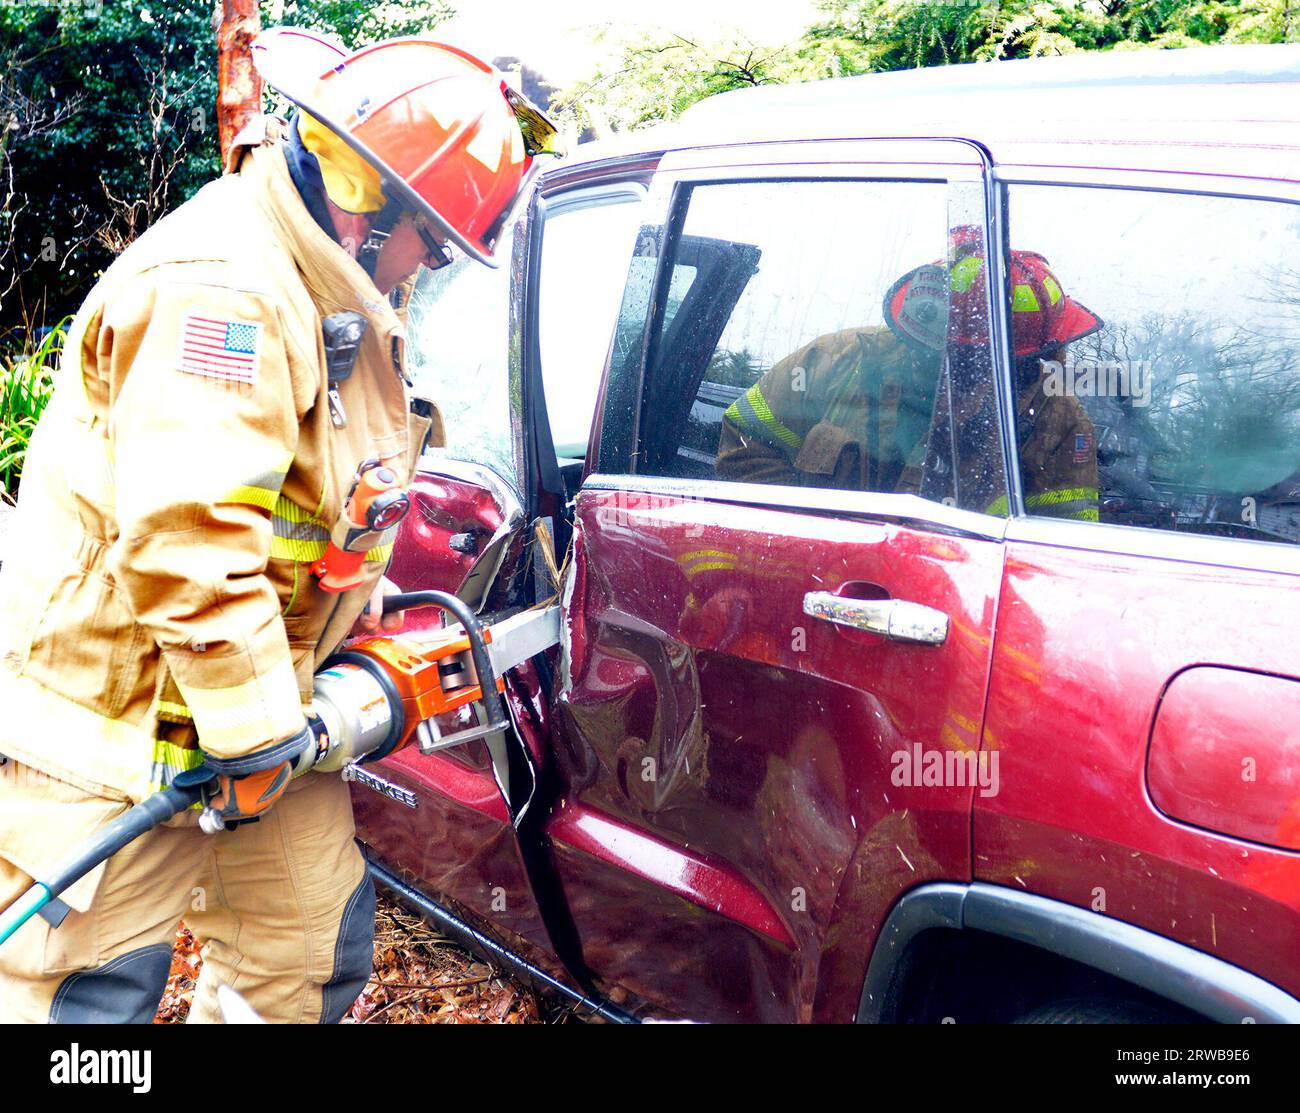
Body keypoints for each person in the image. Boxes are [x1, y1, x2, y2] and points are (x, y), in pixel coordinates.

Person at [0, 27, 559, 1023]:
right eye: (427, 237)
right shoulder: (223, 296)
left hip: (256, 708)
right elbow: (190, 544)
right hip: (121, 726)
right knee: (87, 1003)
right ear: (362, 201)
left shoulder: (331, 288)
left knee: (307, 951)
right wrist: (262, 736)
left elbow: (315, 495)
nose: (426, 266)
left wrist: (357, 611)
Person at [716, 236, 1104, 523]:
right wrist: (812, 537)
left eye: (1013, 367)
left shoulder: (1057, 423)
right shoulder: (834, 362)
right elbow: (745, 446)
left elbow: (1058, 552)